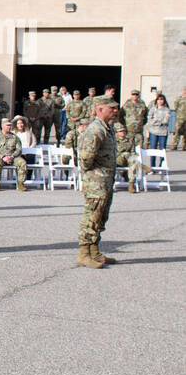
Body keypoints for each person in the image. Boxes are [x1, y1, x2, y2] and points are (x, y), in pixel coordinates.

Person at [76, 97, 120, 268]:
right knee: (92, 216)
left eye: (116, 108)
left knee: (101, 216)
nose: (115, 111)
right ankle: (84, 253)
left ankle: (95, 251)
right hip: (96, 181)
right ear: (100, 109)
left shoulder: (108, 128)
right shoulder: (96, 130)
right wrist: (94, 174)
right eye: (112, 108)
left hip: (106, 180)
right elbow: (86, 157)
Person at [0, 119, 29, 192]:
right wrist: (3, 157)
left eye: (10, 125)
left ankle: (21, 183)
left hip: (13, 157)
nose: (10, 127)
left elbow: (19, 149)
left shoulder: (15, 137)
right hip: (0, 157)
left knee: (22, 162)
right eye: (7, 125)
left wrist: (12, 156)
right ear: (2, 126)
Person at [145, 94, 170, 164]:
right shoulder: (153, 109)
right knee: (153, 149)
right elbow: (149, 120)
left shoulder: (167, 110)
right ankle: (152, 166)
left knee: (162, 151)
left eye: (161, 99)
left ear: (164, 101)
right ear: (156, 100)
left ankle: (161, 166)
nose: (160, 101)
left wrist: (156, 121)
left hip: (163, 132)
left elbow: (166, 121)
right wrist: (158, 122)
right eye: (158, 99)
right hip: (153, 132)